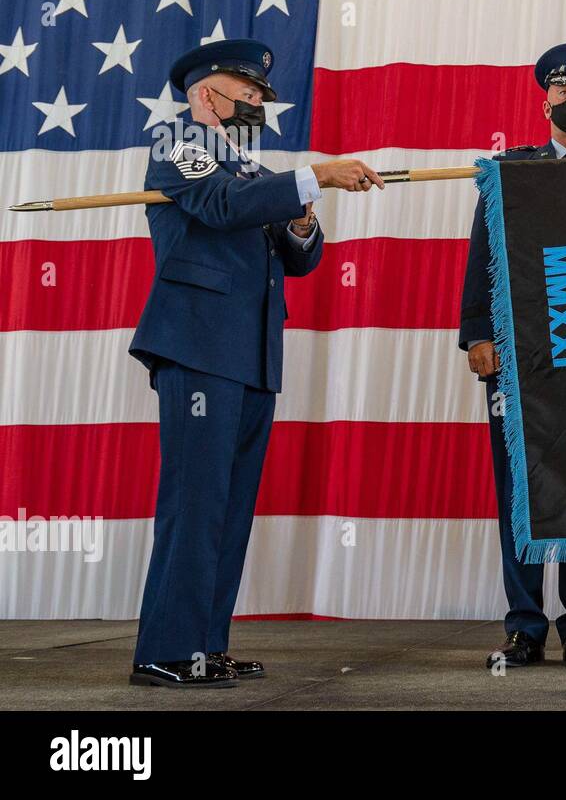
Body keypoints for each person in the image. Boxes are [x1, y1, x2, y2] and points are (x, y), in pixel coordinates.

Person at [127, 39, 384, 687]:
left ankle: (205, 644)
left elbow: (296, 259)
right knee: (197, 500)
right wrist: (313, 177)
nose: (258, 101)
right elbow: (218, 208)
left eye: (262, 95)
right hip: (200, 344)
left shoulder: (248, 168)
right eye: (246, 91)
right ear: (202, 93)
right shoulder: (177, 142)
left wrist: (300, 219)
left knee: (231, 506)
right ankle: (166, 648)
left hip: (252, 351)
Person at [460, 43, 566, 669]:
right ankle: (525, 624)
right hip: (521, 355)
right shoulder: (510, 172)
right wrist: (477, 334)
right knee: (520, 489)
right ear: (544, 98)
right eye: (563, 91)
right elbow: (482, 258)